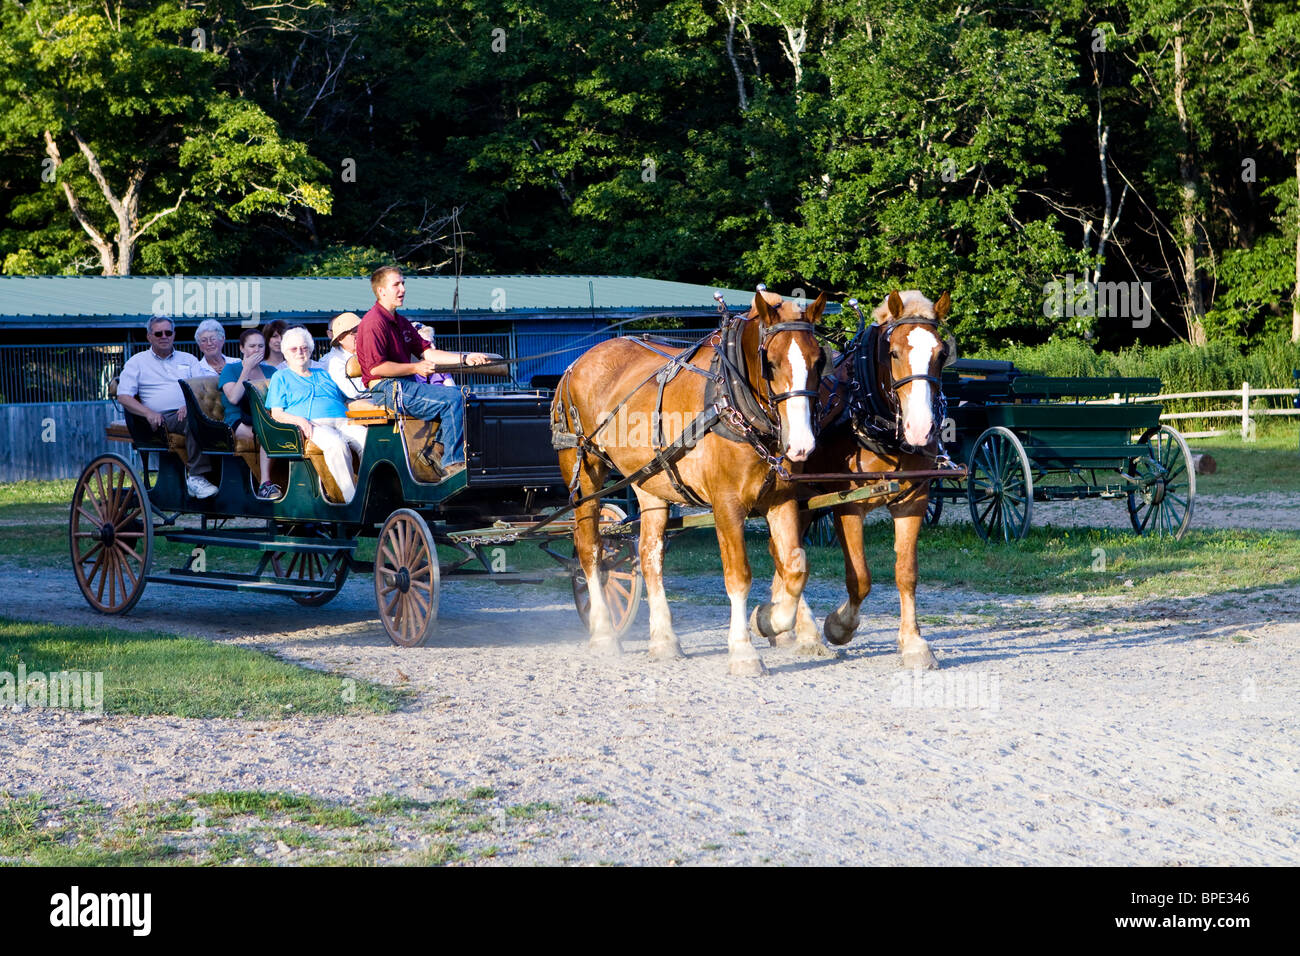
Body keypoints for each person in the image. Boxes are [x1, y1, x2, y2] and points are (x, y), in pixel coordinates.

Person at [356, 265, 490, 476]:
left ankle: (437, 450)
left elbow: (428, 353)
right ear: (381, 291)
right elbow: (377, 367)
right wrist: (415, 367)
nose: (403, 289)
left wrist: (466, 358)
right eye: (396, 284)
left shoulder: (400, 321)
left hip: (405, 386)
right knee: (453, 400)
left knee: (463, 396)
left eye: (403, 283)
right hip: (387, 389)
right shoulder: (373, 322)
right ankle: (452, 463)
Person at [116, 315, 217, 498]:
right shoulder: (137, 362)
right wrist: (148, 412)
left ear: (174, 335)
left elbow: (201, 388)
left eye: (168, 332)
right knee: (195, 419)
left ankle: (225, 477)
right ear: (149, 337)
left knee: (222, 417)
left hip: (190, 412)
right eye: (158, 333)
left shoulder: (189, 359)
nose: (164, 336)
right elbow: (123, 396)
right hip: (160, 418)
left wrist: (190, 404)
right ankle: (196, 477)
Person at [266, 326, 368, 504]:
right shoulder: (280, 377)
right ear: (285, 353)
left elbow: (345, 400)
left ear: (310, 350)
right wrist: (299, 420)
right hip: (313, 424)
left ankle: (370, 490)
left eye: (304, 348)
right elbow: (277, 413)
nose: (300, 352)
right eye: (294, 349)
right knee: (336, 445)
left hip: (343, 420)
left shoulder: (323, 373)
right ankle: (352, 500)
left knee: (369, 440)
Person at [219, 327, 280, 498]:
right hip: (238, 419)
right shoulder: (231, 369)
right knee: (267, 433)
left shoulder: (271, 371)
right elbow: (233, 398)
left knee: (278, 430)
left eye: (261, 346)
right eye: (252, 346)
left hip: (266, 417)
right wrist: (246, 369)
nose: (257, 350)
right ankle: (265, 484)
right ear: (242, 348)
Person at [322, 311, 365, 400]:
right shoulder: (332, 361)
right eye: (355, 332)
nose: (360, 335)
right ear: (340, 339)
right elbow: (352, 392)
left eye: (362, 330)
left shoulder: (368, 352)